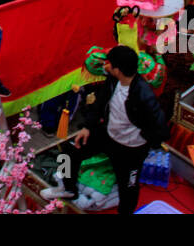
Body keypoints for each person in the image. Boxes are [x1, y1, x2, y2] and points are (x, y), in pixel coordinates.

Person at [41, 44, 168, 213]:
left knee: (128, 187)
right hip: (107, 134)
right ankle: (68, 188)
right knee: (68, 152)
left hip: (131, 149)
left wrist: (144, 141)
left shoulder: (144, 95)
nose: (106, 66)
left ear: (118, 69)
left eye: (110, 64)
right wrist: (87, 127)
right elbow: (100, 104)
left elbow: (160, 127)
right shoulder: (112, 80)